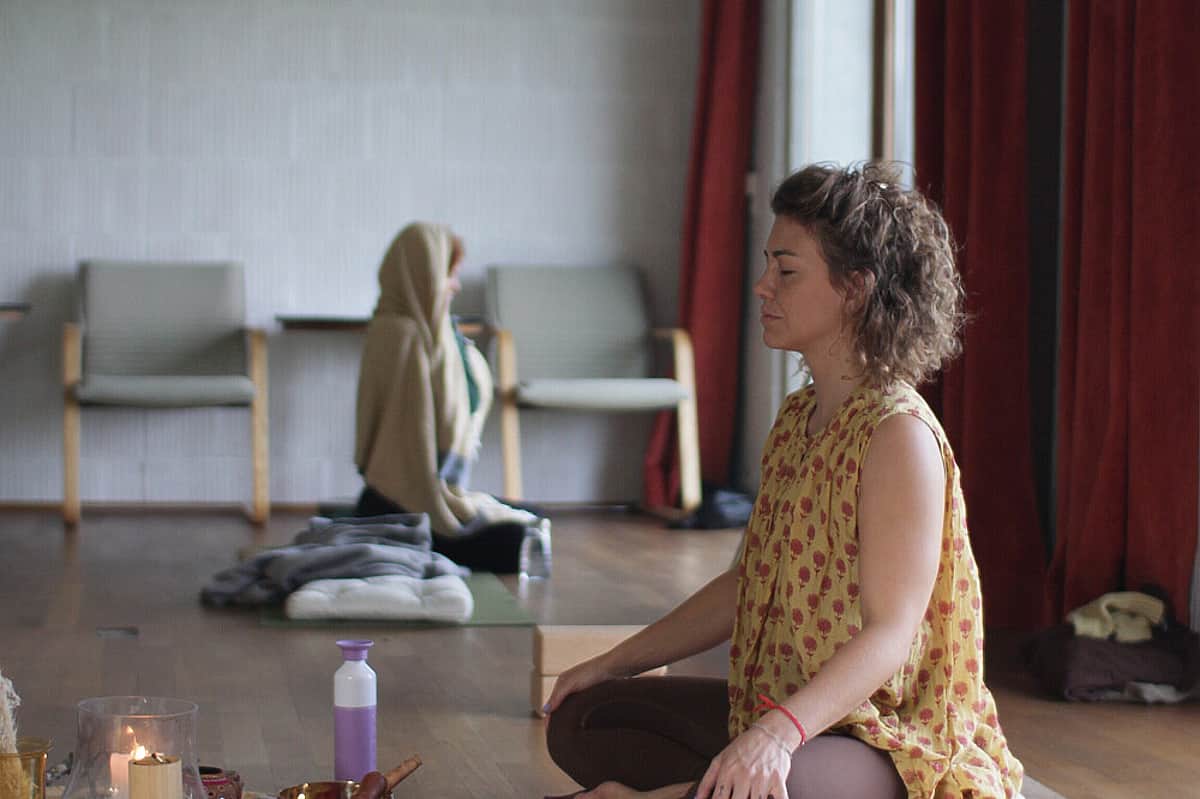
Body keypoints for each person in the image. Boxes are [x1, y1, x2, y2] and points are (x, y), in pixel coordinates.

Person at [543, 163, 1024, 798]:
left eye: (786, 271)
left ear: (855, 288)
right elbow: (748, 583)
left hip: (891, 742)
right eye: (768, 265)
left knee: (762, 784)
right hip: (788, 715)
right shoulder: (798, 417)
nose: (762, 286)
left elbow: (891, 633)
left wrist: (776, 735)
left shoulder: (899, 436)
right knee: (583, 717)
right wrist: (614, 662)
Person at [353, 222, 547, 573]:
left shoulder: (434, 331)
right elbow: (412, 449)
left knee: (533, 516)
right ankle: (403, 533)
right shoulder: (403, 335)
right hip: (401, 501)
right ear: (425, 274)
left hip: (433, 490)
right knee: (515, 540)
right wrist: (441, 514)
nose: (455, 286)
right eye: (450, 275)